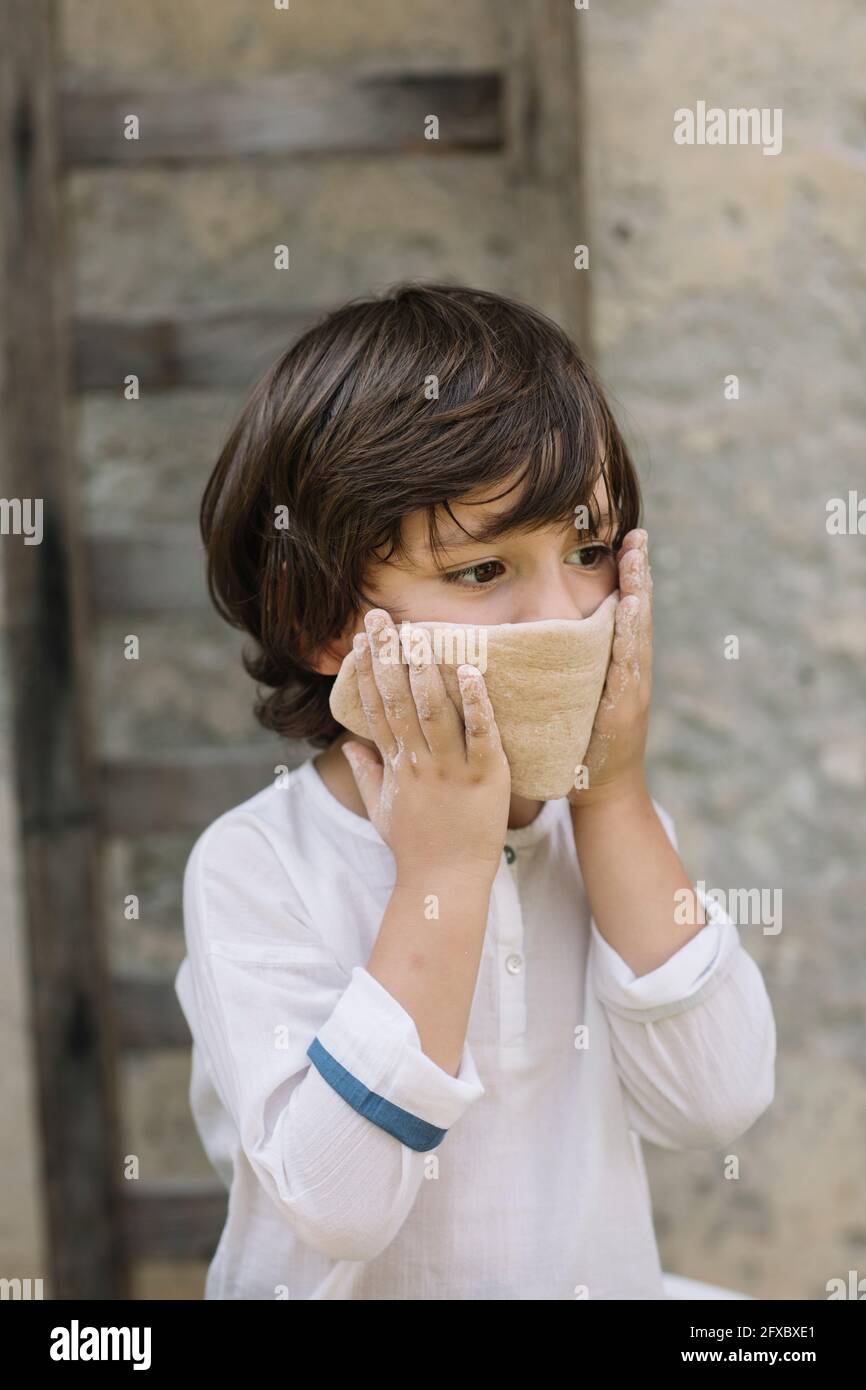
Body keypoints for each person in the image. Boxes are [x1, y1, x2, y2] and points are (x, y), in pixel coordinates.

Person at [174, 283, 776, 1299]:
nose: (557, 615)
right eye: (483, 568)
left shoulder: (605, 834)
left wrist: (614, 796)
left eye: (586, 554)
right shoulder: (258, 866)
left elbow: (714, 1104)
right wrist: (441, 872)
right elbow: (342, 1203)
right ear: (324, 622)